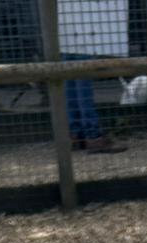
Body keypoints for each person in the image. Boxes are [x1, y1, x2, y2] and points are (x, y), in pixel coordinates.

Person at [56, 0, 128, 154]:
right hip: (84, 16)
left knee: (70, 64)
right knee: (81, 70)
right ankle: (92, 135)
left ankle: (76, 134)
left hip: (67, 17)